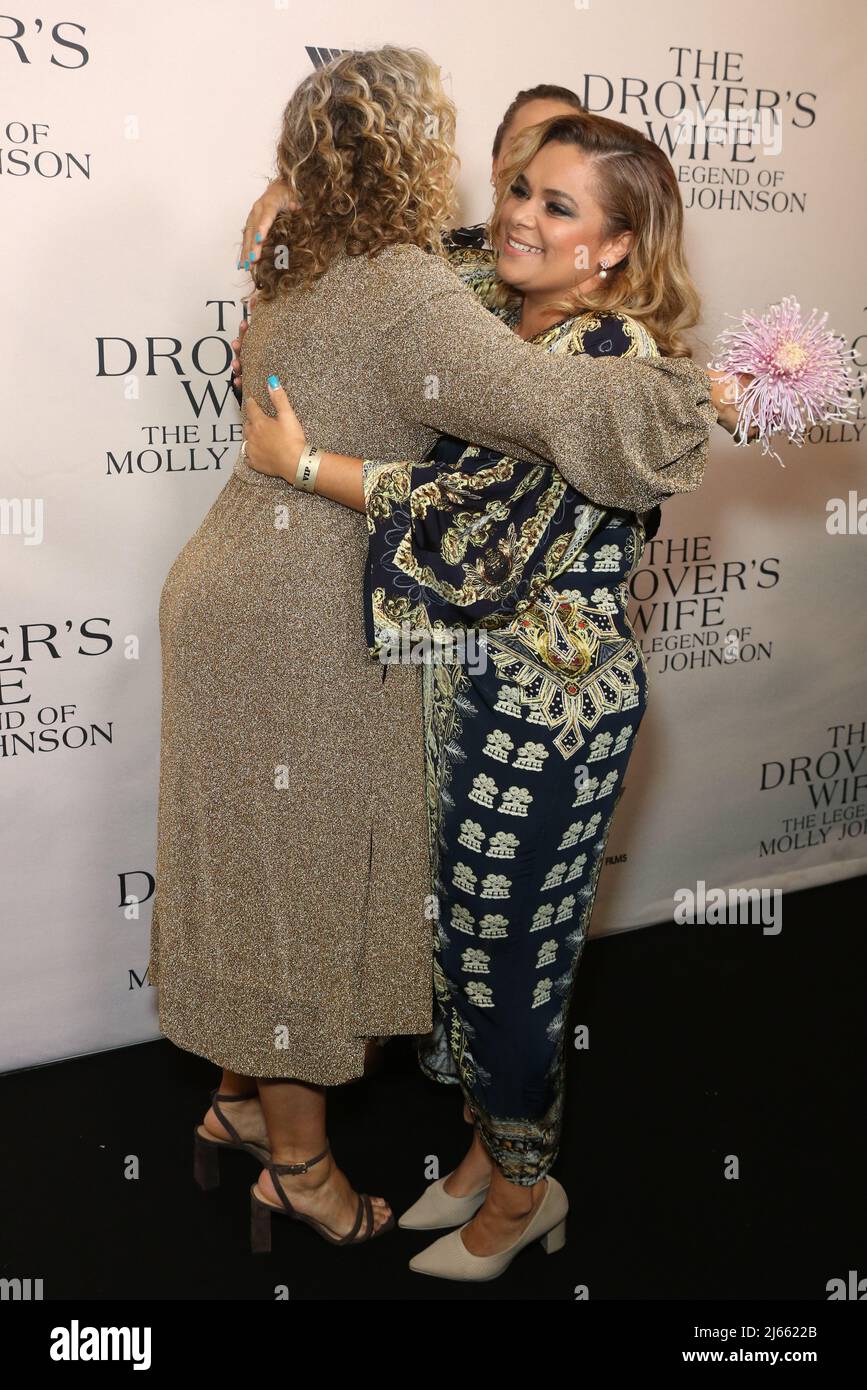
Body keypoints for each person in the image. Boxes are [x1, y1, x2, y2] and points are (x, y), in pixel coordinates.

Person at [152, 44, 726, 1254]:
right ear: (421, 153)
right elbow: (551, 411)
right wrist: (697, 396)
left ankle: (240, 1104)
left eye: (542, 185)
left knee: (255, 867)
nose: (508, 194)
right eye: (508, 170)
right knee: (295, 890)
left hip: (228, 583)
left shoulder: (305, 258)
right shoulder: (413, 283)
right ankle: (300, 1168)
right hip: (301, 613)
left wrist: (280, 219)